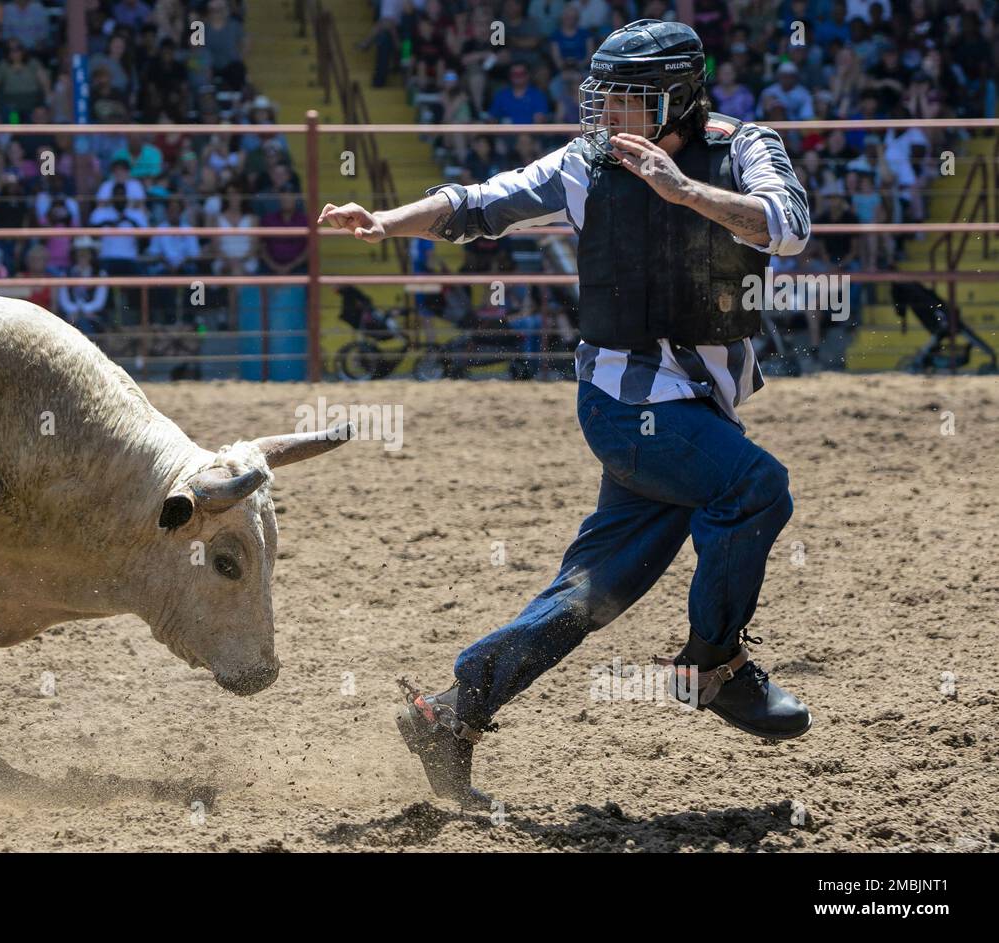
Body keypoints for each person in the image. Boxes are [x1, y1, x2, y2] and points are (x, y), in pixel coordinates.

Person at [320, 19, 814, 808]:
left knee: (590, 594)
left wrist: (683, 191)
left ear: (680, 100)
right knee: (758, 488)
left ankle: (452, 711)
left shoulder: (746, 146)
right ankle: (712, 668)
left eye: (630, 100)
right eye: (605, 98)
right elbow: (480, 202)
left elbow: (788, 227)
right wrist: (387, 220)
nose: (610, 115)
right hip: (624, 407)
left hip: (691, 410)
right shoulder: (584, 165)